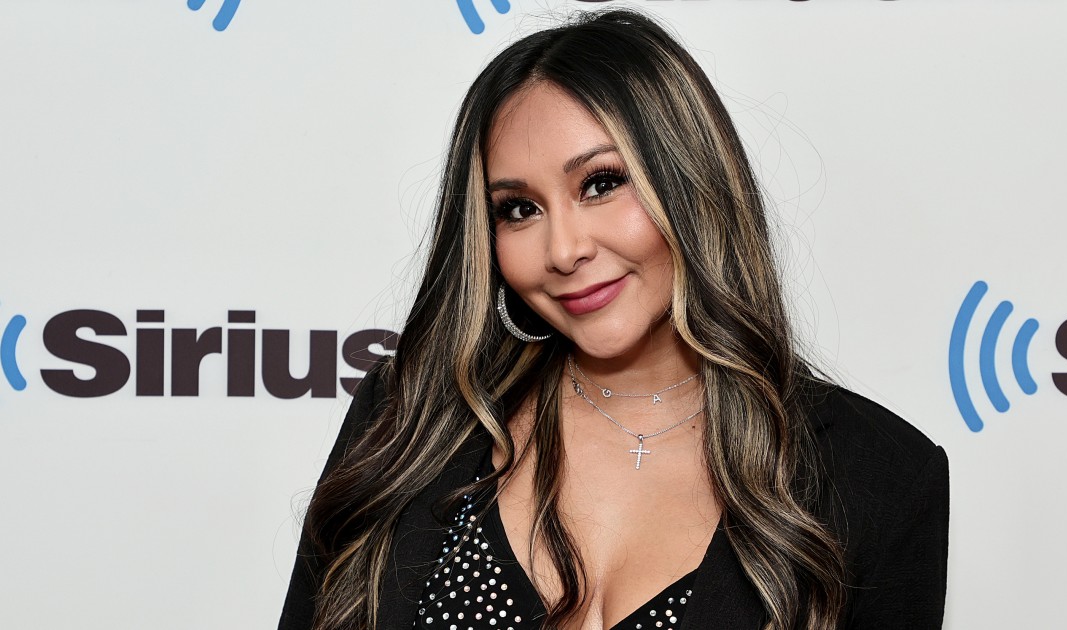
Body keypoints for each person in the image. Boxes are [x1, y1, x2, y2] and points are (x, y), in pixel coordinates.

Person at [279, 9, 948, 630]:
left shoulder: (881, 476)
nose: (564, 250)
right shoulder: (409, 418)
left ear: (691, 183)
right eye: (519, 209)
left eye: (600, 184)